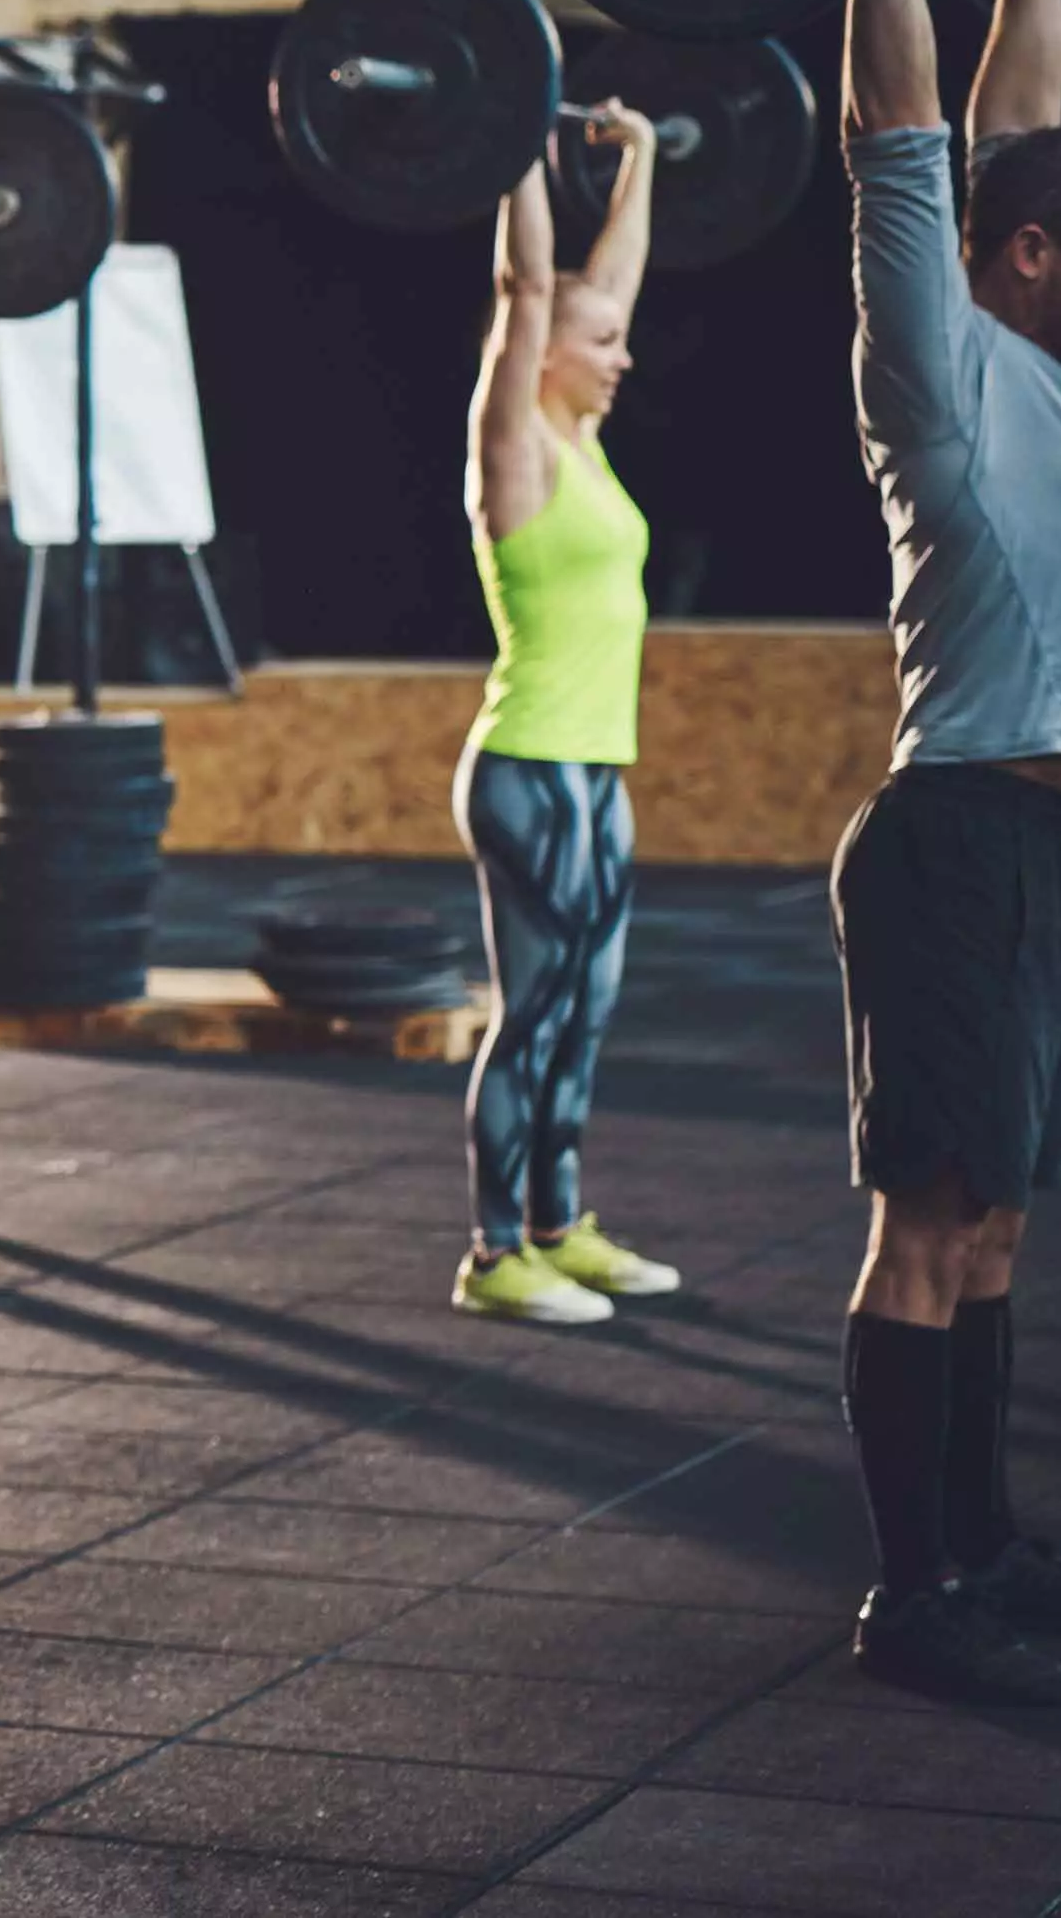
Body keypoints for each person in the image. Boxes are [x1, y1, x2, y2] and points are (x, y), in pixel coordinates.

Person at [830, 0, 1061, 1706]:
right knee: (928, 1220)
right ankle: (912, 1591)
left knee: (1002, 1218)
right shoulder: (941, 359)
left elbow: (1011, 126)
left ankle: (983, 1542)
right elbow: (909, 124)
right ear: (1025, 263)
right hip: (953, 834)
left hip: (1040, 850)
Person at [450, 118, 689, 1326]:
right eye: (598, 342)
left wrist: (639, 158)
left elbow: (612, 278)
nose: (620, 354)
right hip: (531, 762)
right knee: (533, 1010)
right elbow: (527, 284)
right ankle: (495, 1252)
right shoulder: (518, 451)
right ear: (541, 352)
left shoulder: (585, 441)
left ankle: (560, 1224)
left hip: (597, 766)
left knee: (587, 1011)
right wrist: (509, 136)